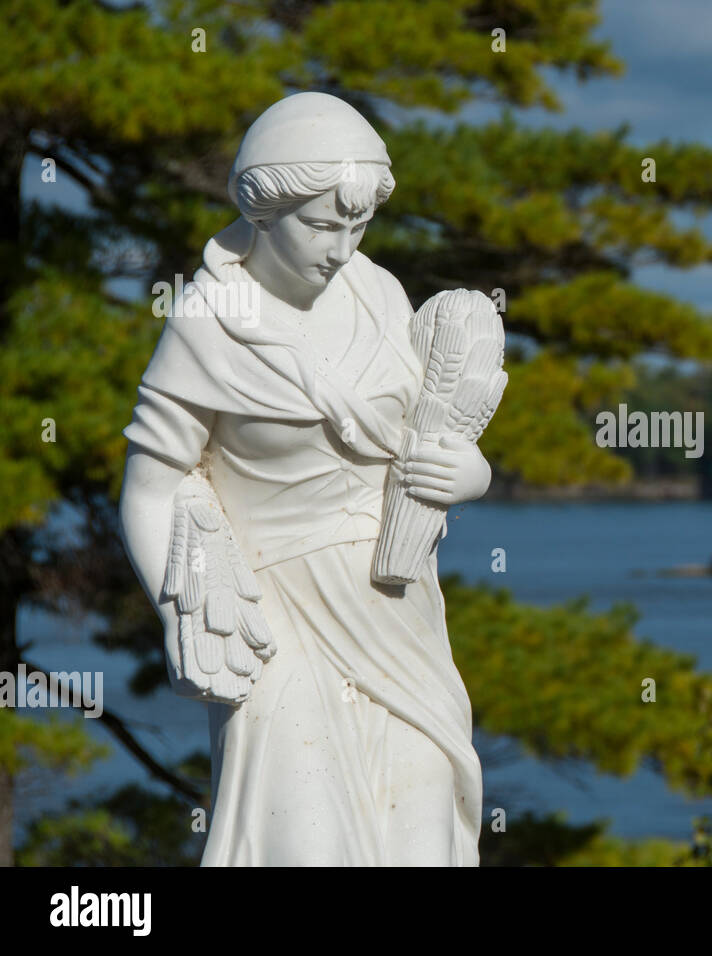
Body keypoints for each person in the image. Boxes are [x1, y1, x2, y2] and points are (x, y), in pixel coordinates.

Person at [118, 92, 487, 865]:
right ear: (261, 209)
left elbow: (429, 435)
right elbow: (152, 490)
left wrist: (469, 473)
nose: (342, 248)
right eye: (322, 225)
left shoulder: (380, 298)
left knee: (418, 827)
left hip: (397, 606)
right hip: (274, 617)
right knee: (302, 839)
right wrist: (201, 623)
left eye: (357, 225)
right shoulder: (207, 322)